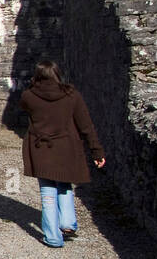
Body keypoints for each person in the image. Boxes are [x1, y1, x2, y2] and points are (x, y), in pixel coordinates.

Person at [19, 60, 105, 248]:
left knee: (47, 192)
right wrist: (96, 151)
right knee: (64, 184)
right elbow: (86, 126)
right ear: (58, 74)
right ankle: (67, 223)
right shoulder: (71, 96)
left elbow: (25, 108)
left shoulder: (29, 96)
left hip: (41, 149)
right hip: (66, 148)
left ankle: (53, 237)